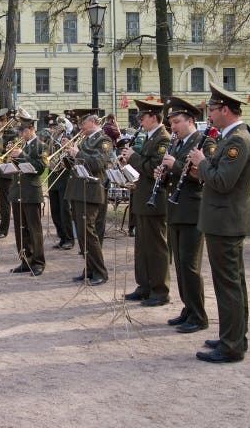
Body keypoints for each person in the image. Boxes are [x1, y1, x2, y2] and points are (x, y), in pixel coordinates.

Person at [187, 81, 250, 363]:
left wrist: (202, 162)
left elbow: (222, 181)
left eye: (212, 109)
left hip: (225, 221)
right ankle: (234, 335)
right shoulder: (231, 138)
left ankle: (232, 345)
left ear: (225, 109)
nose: (209, 114)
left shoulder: (237, 141)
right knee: (232, 283)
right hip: (222, 220)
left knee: (228, 285)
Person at [157, 97, 216, 334]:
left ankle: (199, 315)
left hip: (192, 211)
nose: (173, 127)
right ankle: (188, 308)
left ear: (190, 120)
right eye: (171, 123)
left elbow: (203, 175)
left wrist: (175, 166)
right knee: (180, 266)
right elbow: (175, 177)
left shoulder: (205, 143)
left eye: (177, 122)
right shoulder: (177, 144)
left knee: (190, 266)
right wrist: (162, 176)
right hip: (175, 209)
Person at [120, 100, 171, 306]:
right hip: (142, 198)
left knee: (156, 247)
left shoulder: (163, 139)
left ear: (155, 117)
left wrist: (133, 157)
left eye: (143, 117)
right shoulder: (149, 137)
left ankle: (160, 291)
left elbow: (153, 168)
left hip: (155, 200)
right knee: (142, 247)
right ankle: (144, 286)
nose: (140, 120)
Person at [64, 110, 113, 286]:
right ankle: (89, 269)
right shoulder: (85, 139)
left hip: (92, 191)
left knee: (90, 233)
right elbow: (77, 164)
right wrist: (68, 156)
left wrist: (78, 154)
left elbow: (97, 164)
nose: (79, 127)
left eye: (82, 124)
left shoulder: (104, 140)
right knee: (83, 234)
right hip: (78, 190)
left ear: (93, 121)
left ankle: (100, 272)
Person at [7, 115, 46, 276]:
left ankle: (38, 262)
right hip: (18, 191)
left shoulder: (41, 146)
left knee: (34, 229)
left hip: (31, 191)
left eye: (23, 130)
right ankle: (25, 260)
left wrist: (21, 154)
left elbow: (40, 168)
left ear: (31, 129)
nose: (20, 134)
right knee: (20, 228)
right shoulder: (21, 145)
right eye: (19, 131)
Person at [41, 113, 73, 250]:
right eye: (51, 126)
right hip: (53, 175)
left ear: (62, 127)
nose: (52, 128)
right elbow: (47, 155)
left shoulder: (68, 138)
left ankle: (69, 239)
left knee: (64, 209)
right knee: (54, 210)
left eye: (55, 126)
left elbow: (70, 160)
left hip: (64, 176)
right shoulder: (51, 139)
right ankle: (61, 237)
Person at [0, 109, 15, 238]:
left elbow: (8, 152)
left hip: (5, 172)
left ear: (6, 121)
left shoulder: (11, 134)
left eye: (0, 121)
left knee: (4, 201)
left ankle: (3, 230)